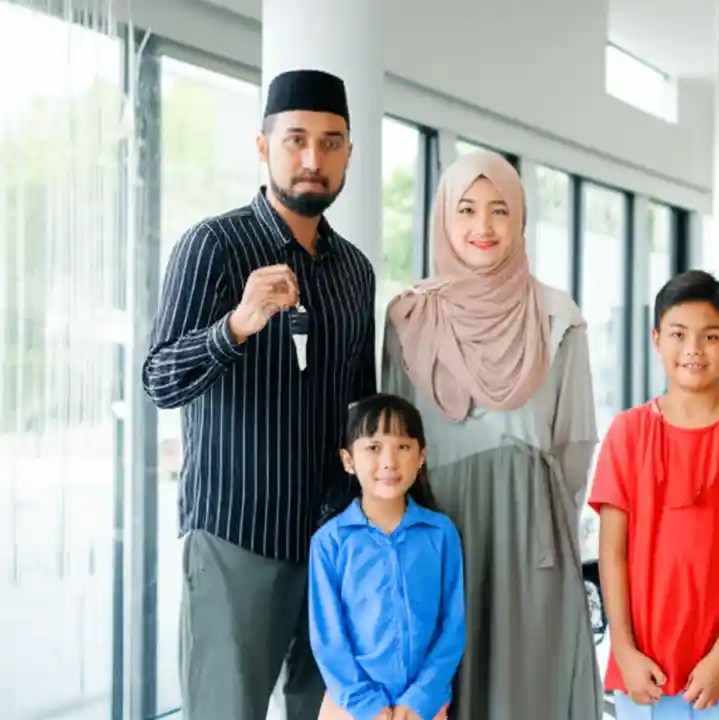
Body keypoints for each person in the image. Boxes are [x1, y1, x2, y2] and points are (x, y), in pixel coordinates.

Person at [141, 68, 375, 720]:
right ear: (263, 146)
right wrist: (237, 325)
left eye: (331, 143)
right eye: (296, 139)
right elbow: (159, 379)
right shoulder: (212, 248)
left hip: (331, 546)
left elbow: (362, 408)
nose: (312, 159)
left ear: (349, 153)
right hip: (234, 543)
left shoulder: (355, 270)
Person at [381, 150, 601, 719]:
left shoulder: (557, 316)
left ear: (521, 220)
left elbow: (575, 445)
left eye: (501, 210)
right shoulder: (407, 317)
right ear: (443, 218)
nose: (483, 227)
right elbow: (387, 442)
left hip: (529, 545)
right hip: (433, 535)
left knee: (524, 694)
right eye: (468, 209)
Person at [588, 270, 719, 719]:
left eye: (711, 336)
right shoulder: (627, 432)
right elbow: (612, 552)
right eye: (679, 334)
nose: (693, 350)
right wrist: (622, 648)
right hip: (643, 672)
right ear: (656, 339)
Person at [309, 394, 463, 720]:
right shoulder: (330, 542)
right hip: (349, 708)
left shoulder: (440, 533)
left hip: (424, 709)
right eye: (374, 447)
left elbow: (452, 626)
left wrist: (422, 699)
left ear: (421, 456)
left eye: (403, 447)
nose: (390, 462)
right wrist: (367, 705)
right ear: (348, 460)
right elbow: (328, 640)